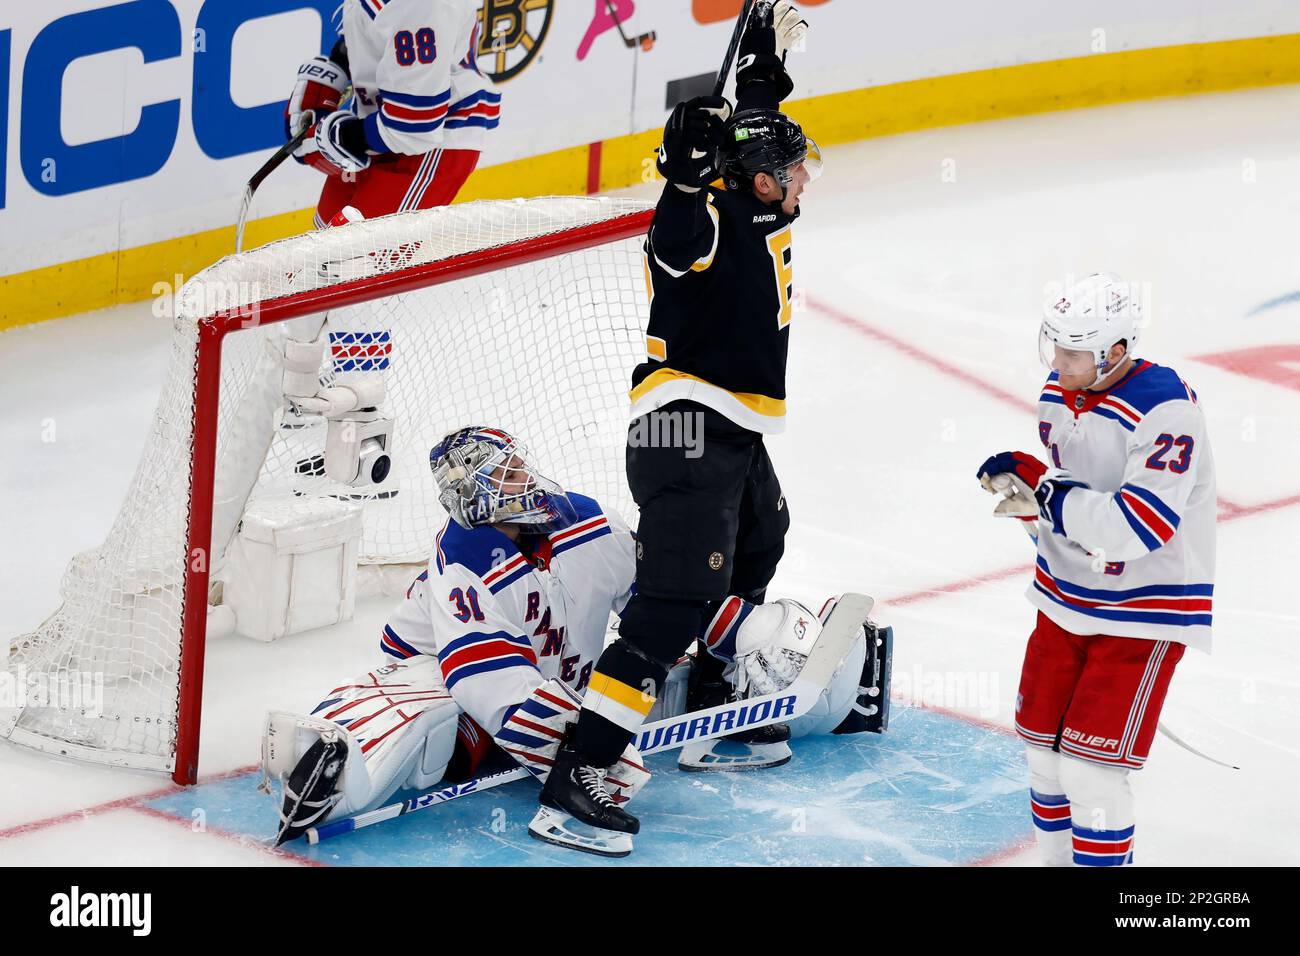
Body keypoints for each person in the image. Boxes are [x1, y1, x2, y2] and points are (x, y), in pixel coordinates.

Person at [263, 426, 889, 857]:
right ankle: (331, 763)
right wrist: (577, 748)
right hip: (438, 673)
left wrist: (748, 632)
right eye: (501, 474)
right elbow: (486, 680)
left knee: (665, 681)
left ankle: (838, 695)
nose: (520, 478)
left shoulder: (580, 518)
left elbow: (663, 599)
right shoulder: (465, 565)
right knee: (434, 728)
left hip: (561, 678)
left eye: (515, 463)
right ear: (472, 495)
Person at [531, 1, 847, 842]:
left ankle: (711, 703)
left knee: (760, 541)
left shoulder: (756, 192)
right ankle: (580, 774)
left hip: (730, 426)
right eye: (797, 168)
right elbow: (673, 243)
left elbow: (754, 127)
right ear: (761, 179)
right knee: (673, 604)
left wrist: (767, 69)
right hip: (680, 427)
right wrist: (678, 173)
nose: (806, 177)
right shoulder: (702, 216)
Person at [977, 273, 1216, 867]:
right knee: (1043, 757)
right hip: (1065, 599)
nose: (1057, 362)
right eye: (1053, 346)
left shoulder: (1165, 407)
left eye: (1072, 352)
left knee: (1091, 773)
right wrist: (1036, 511)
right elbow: (1075, 514)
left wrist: (1048, 494)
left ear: (1114, 352)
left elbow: (1136, 529)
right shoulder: (1058, 394)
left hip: (1144, 609)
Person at [284, 0, 499, 227]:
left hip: (433, 137)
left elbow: (415, 124)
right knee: (323, 241)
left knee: (355, 255)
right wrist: (333, 70)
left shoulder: (423, 7)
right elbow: (374, 25)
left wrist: (342, 138)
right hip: (378, 122)